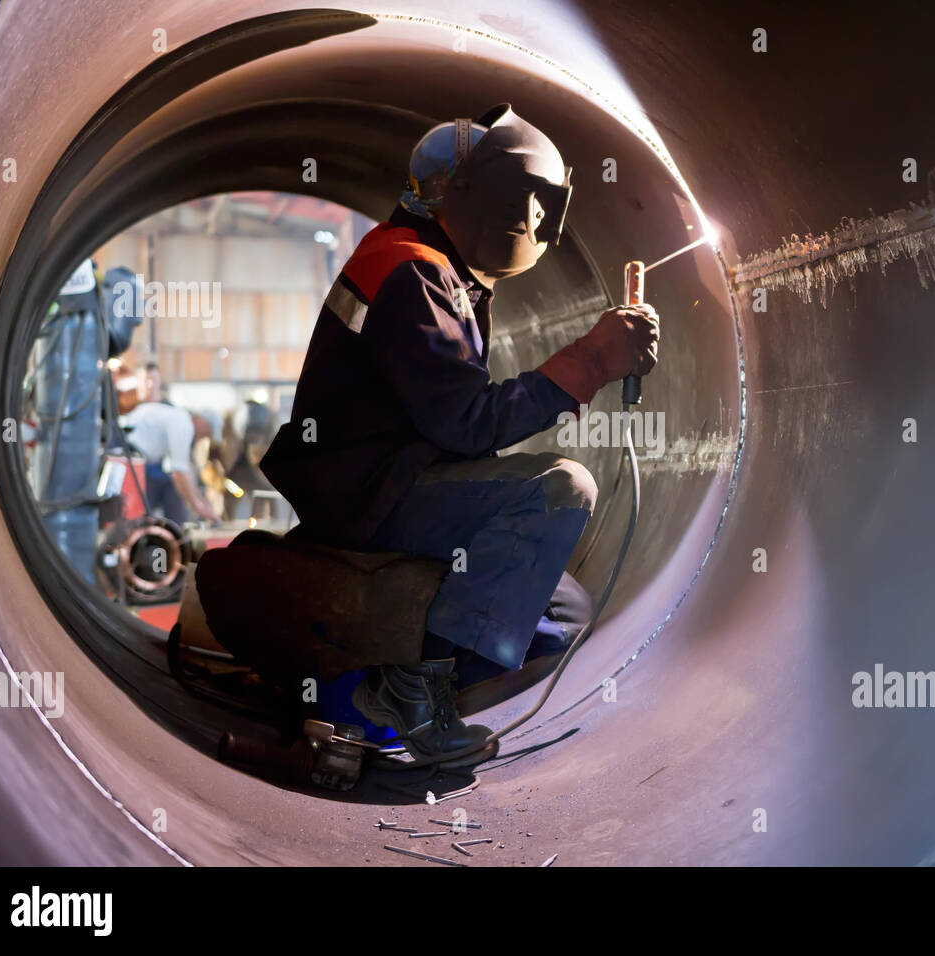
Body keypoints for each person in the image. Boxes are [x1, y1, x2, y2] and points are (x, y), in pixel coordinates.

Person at [260, 104, 659, 761]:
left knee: (560, 621)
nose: (541, 226)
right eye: (534, 204)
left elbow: (452, 425)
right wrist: (589, 362)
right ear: (489, 195)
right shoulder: (409, 268)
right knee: (563, 487)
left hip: (389, 488)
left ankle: (405, 695)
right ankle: (410, 691)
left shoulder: (434, 269)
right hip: (371, 498)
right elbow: (467, 422)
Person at [121, 400, 218, 523]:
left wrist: (201, 502)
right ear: (202, 422)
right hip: (130, 455)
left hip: (135, 456)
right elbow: (179, 472)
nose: (202, 438)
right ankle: (174, 530)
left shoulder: (179, 419)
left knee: (169, 487)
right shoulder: (183, 425)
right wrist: (198, 507)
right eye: (206, 434)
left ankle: (167, 529)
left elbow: (184, 469)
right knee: (172, 490)